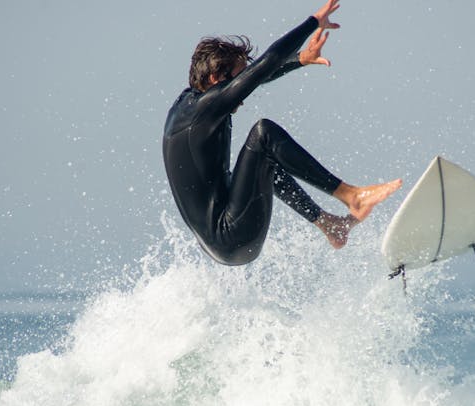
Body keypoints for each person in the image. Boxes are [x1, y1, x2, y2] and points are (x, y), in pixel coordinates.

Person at [162, 0, 402, 265]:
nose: (243, 90)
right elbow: (265, 65)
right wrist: (314, 22)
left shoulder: (190, 105)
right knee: (264, 134)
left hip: (222, 242)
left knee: (263, 159)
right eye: (238, 77)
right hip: (231, 236)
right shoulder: (205, 110)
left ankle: (330, 226)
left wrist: (300, 60)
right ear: (216, 79)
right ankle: (351, 196)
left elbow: (257, 76)